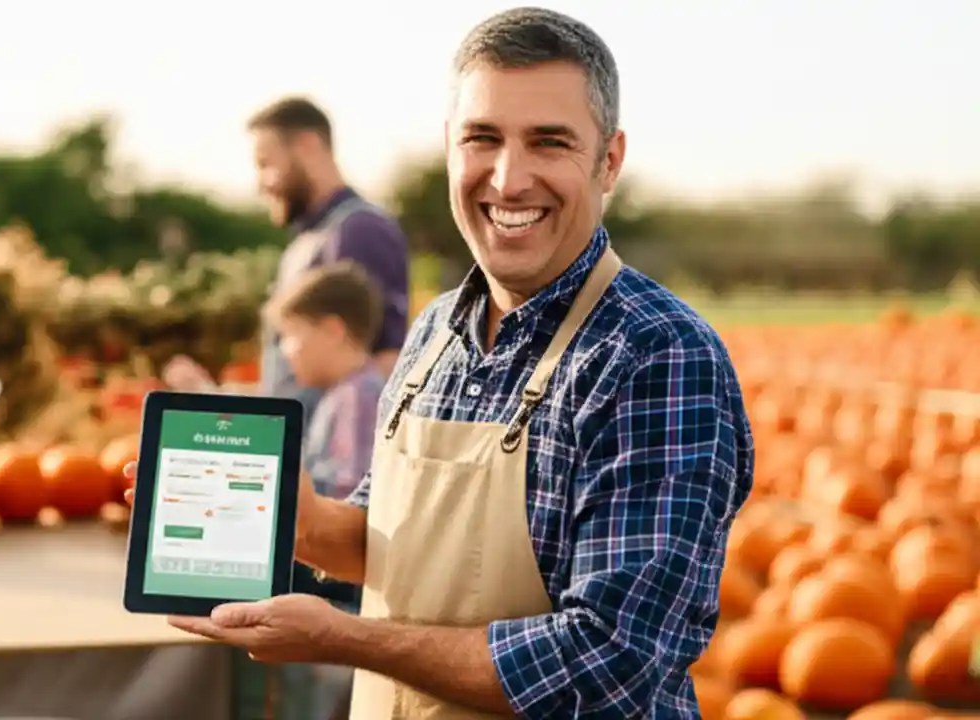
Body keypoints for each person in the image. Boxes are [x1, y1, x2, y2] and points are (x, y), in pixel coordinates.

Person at [139, 8, 755, 719]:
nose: (508, 177)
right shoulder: (436, 332)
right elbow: (391, 544)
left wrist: (348, 639)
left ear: (608, 160)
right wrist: (291, 514)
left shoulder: (655, 354)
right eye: (482, 139)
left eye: (549, 143)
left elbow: (607, 660)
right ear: (449, 148)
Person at [163, 97, 410, 424]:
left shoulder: (358, 230)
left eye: (266, 164)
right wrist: (221, 397)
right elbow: (297, 389)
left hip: (324, 467)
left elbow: (381, 364)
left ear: (308, 146)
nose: (259, 183)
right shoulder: (310, 239)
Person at [262, 261, 387, 719]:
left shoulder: (357, 399)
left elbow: (349, 500)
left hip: (342, 588)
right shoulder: (343, 394)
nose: (286, 351)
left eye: (292, 335)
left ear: (333, 331)